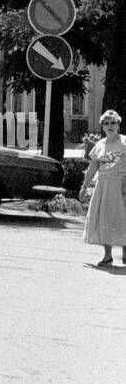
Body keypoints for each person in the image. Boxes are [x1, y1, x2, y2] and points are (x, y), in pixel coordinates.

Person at [80, 110, 126, 267]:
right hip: (103, 187)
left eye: (113, 122)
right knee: (104, 219)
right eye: (106, 123)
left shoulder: (124, 142)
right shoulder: (100, 145)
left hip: (122, 185)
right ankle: (108, 256)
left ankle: (125, 252)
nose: (110, 126)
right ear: (102, 127)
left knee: (122, 218)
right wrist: (84, 187)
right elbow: (92, 168)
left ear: (118, 125)